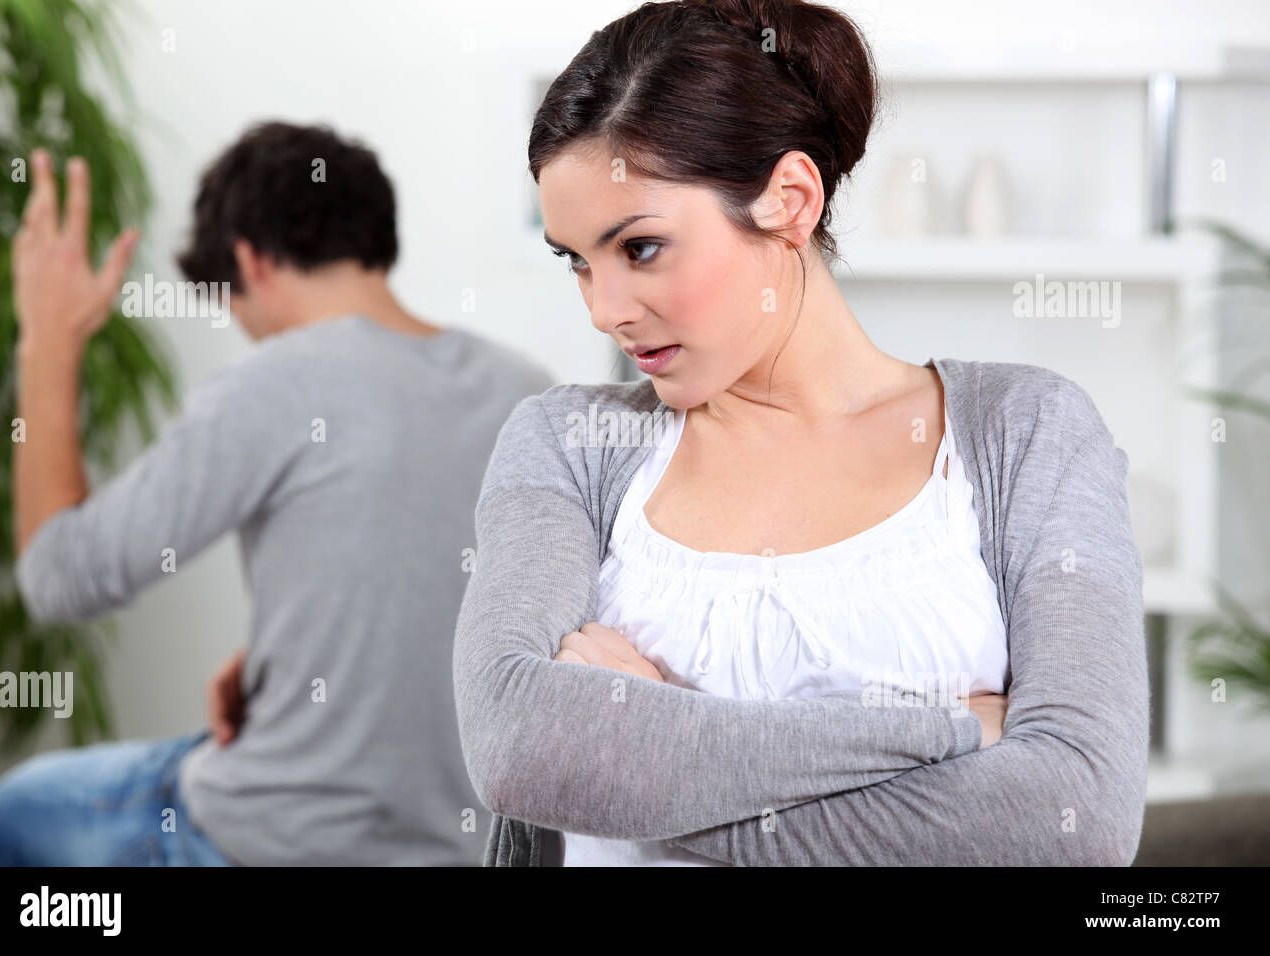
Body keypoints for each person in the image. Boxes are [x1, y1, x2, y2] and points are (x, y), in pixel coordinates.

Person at [452, 0, 1149, 866]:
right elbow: (516, 745)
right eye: (577, 262)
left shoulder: (1026, 434)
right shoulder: (567, 441)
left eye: (639, 249)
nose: (605, 312)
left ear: (790, 199)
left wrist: (655, 753)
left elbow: (1074, 820)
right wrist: (947, 732)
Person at [0, 121, 553, 866]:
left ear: (247, 259)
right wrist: (289, 649)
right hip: (462, 847)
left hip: (283, 838)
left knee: (17, 810)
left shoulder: (278, 379)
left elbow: (60, 577)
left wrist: (48, 344)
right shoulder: (528, 390)